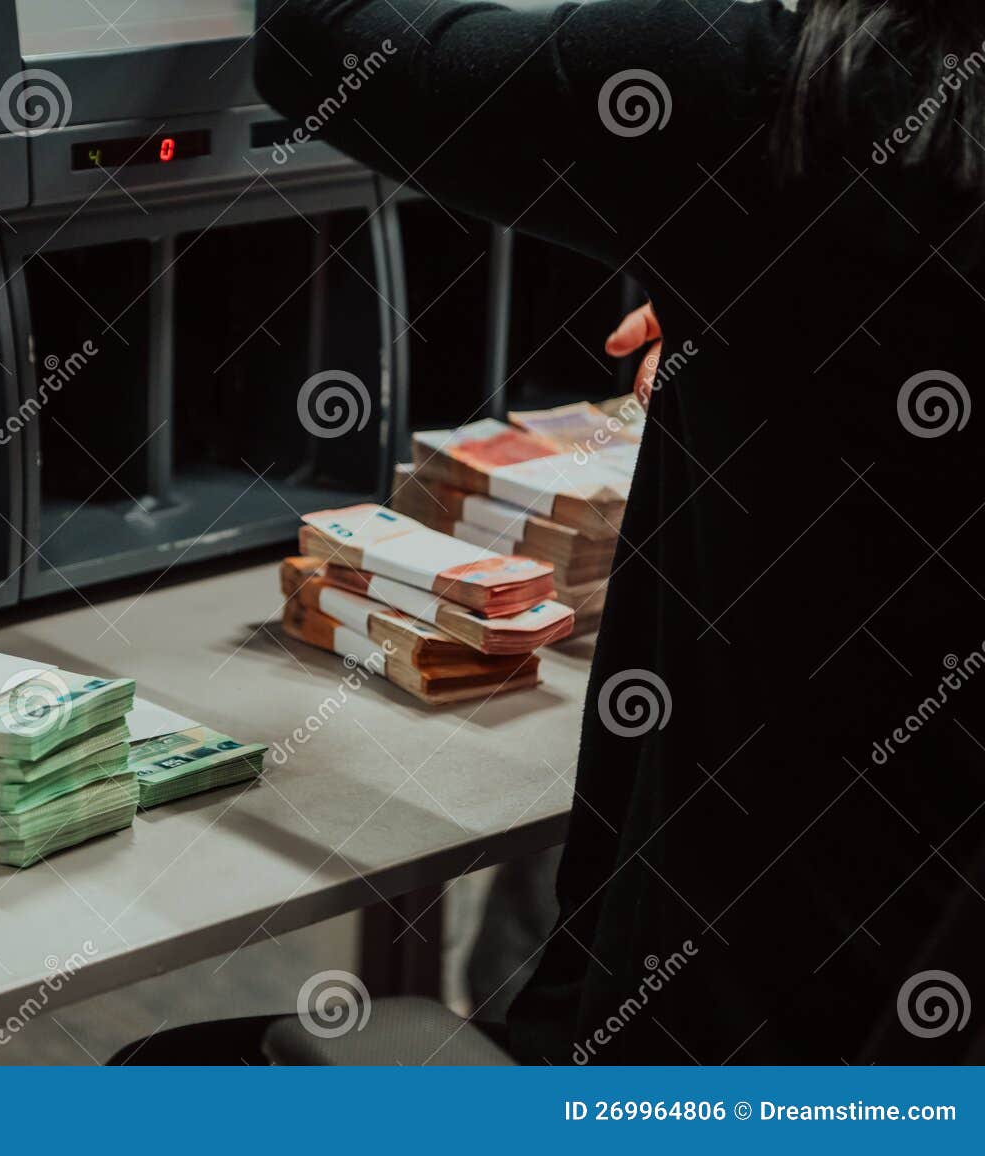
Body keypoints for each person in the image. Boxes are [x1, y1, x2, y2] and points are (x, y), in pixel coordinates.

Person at [114, 0, 985, 1064]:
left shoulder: (789, 96)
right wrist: (754, 295)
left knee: (153, 1079)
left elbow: (329, 43)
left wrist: (757, 258)